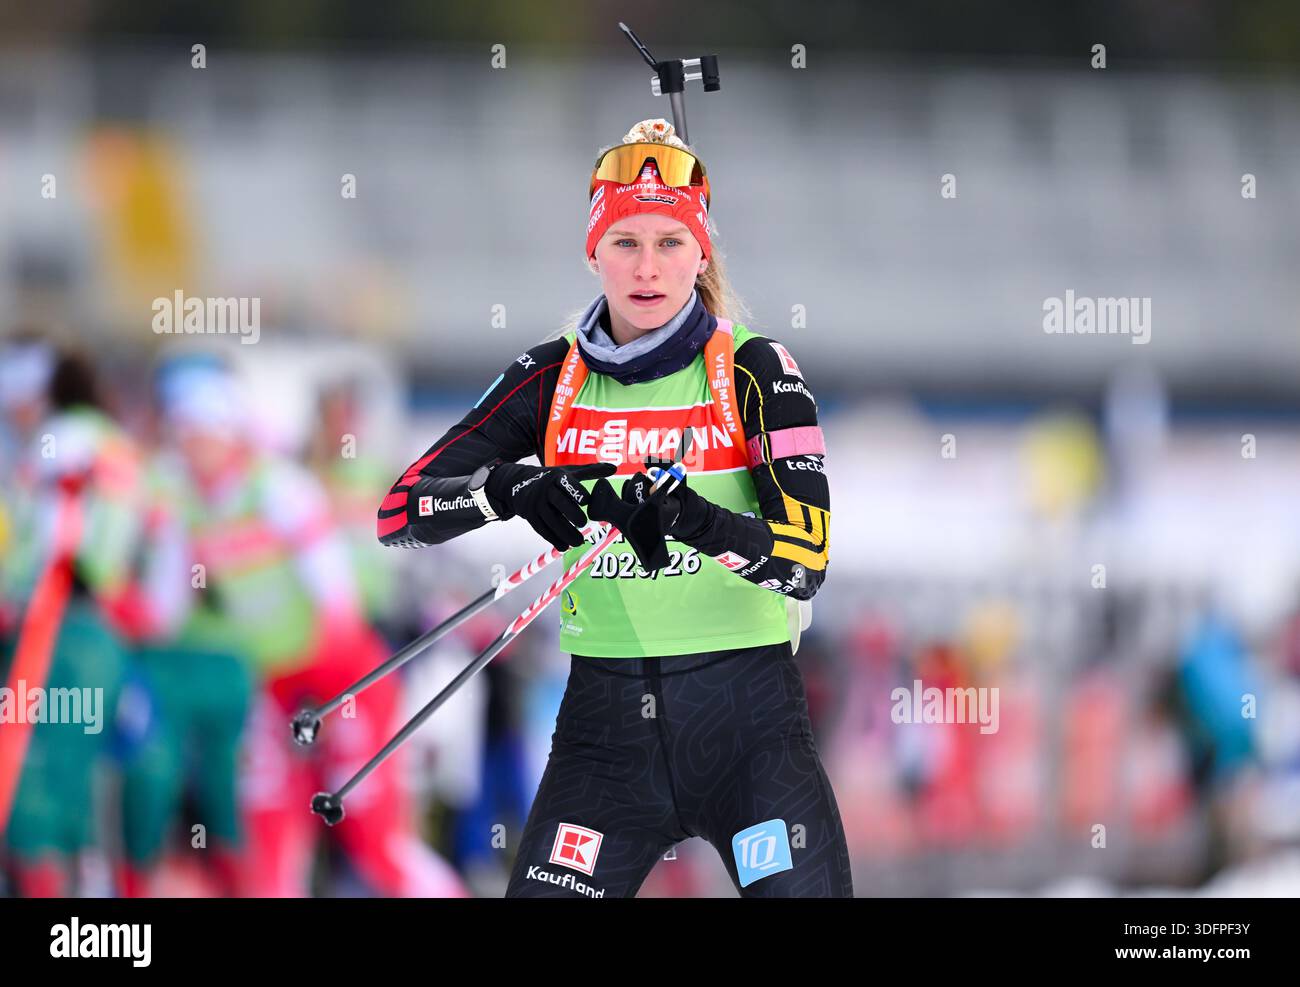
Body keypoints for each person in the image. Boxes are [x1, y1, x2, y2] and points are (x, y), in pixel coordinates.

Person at [378, 119, 852, 897]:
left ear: (702, 254)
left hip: (746, 732)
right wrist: (511, 490)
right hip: (605, 738)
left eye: (671, 241)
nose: (647, 267)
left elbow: (806, 561)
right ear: (592, 250)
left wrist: (693, 518)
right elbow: (400, 511)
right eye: (625, 241)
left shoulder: (756, 368)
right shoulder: (551, 375)